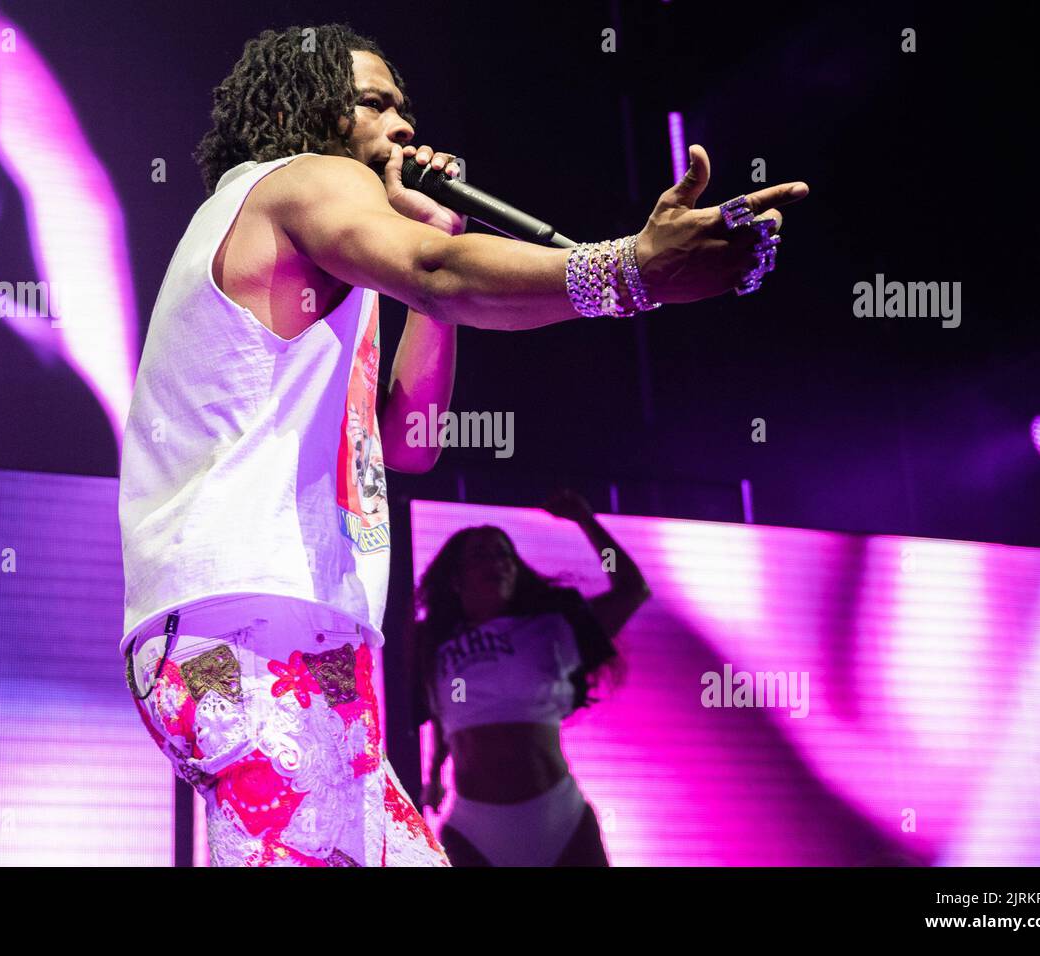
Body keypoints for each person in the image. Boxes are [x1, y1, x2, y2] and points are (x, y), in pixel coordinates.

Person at [118, 22, 808, 867]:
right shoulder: (305, 181)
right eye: (375, 104)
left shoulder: (304, 243)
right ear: (306, 109)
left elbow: (409, 442)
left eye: (405, 107)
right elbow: (441, 272)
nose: (405, 126)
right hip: (251, 625)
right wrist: (628, 270)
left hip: (304, 633)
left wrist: (435, 233)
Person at [410, 490, 647, 866]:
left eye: (504, 554)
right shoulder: (433, 644)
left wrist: (585, 521)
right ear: (456, 579)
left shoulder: (550, 629)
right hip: (476, 826)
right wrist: (435, 771)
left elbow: (633, 590)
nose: (496, 562)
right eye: (481, 554)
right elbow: (447, 715)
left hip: (559, 819)